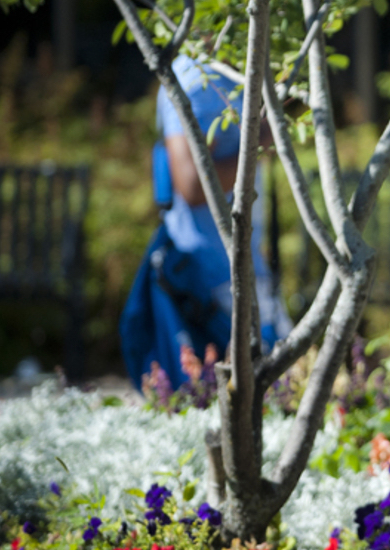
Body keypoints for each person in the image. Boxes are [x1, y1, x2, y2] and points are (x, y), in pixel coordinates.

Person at [119, 55, 291, 390]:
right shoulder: (194, 81)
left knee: (276, 390)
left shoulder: (239, 69)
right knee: (241, 392)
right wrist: (264, 135)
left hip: (244, 267)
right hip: (206, 278)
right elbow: (195, 186)